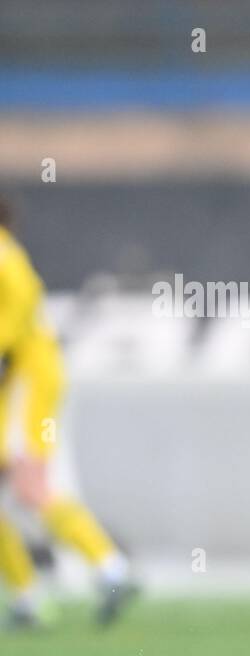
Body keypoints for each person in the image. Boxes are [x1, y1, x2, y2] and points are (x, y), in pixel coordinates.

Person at [0, 197, 135, 628]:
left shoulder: (2, 256)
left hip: (26, 383)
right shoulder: (9, 254)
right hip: (28, 379)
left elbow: (9, 334)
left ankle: (109, 568)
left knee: (30, 487)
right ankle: (27, 597)